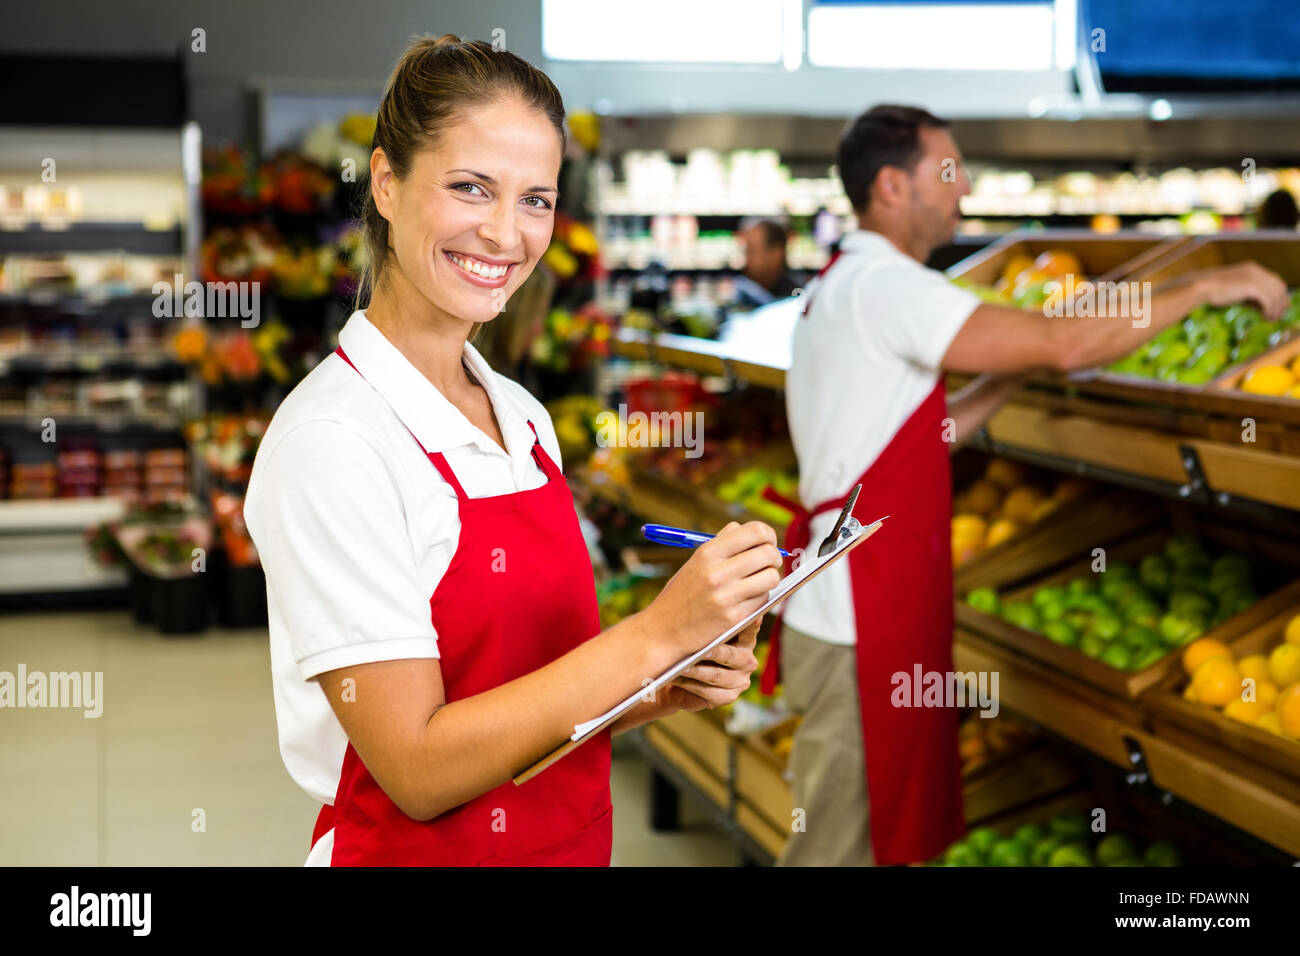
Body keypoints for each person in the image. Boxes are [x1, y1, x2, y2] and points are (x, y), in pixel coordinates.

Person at [243, 35, 782, 867]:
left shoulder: (522, 417)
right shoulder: (334, 441)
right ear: (386, 184)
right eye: (470, 188)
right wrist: (649, 635)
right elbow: (418, 769)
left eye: (537, 199)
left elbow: (523, 698)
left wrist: (656, 685)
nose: (506, 234)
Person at [766, 104, 1288, 867]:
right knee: (840, 849)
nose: (964, 187)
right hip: (860, 614)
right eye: (947, 171)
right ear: (890, 186)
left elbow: (923, 435)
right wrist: (1206, 286)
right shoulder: (890, 285)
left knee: (867, 836)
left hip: (850, 599)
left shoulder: (842, 284)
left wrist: (1016, 372)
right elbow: (1069, 339)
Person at [734, 219, 800, 306]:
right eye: (746, 252)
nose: (747, 260)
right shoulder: (742, 294)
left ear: (777, 253)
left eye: (752, 252)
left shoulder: (797, 297)